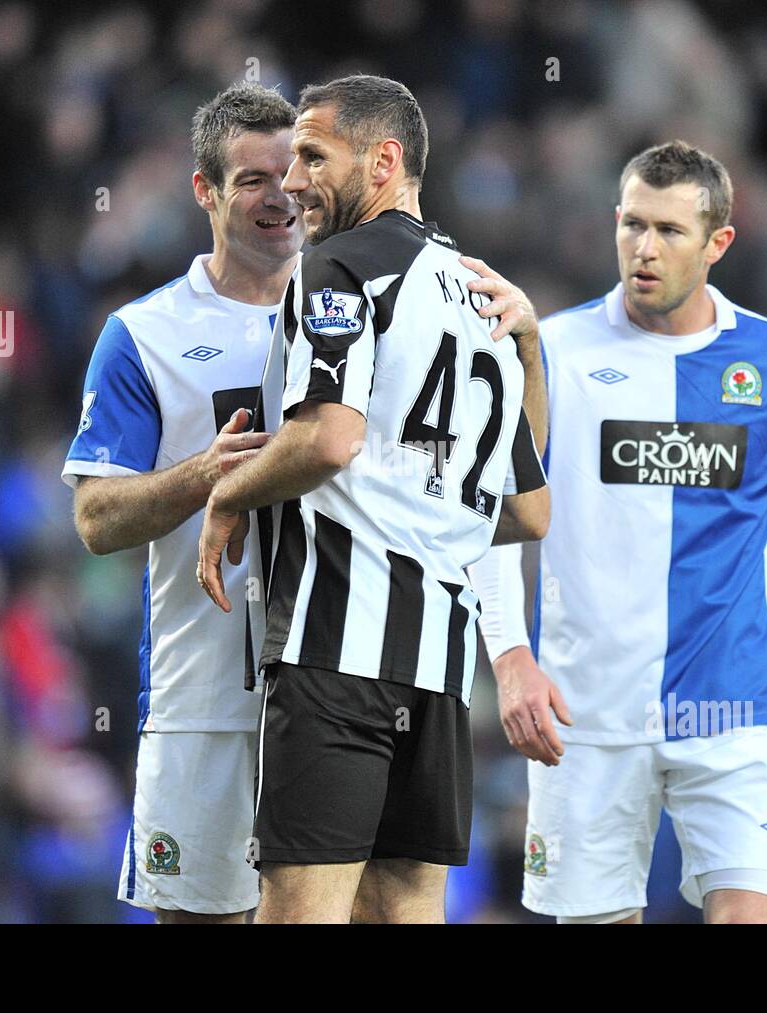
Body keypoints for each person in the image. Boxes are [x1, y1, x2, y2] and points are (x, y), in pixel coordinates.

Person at [470, 140, 767, 925]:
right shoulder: (553, 350)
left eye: (670, 231)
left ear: (719, 242)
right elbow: (487, 515)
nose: (644, 249)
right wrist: (510, 656)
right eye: (632, 225)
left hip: (734, 712)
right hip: (586, 714)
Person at [195, 74, 550, 923]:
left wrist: (227, 492)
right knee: (400, 912)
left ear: (384, 161)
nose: (293, 181)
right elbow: (530, 512)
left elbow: (327, 439)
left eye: (314, 156)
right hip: (437, 676)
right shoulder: (489, 300)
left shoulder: (341, 265)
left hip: (334, 653)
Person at [62, 83, 303, 923]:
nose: (282, 196)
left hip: (336, 692)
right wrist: (206, 473)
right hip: (202, 701)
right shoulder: (145, 334)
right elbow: (96, 519)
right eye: (252, 179)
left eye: (295, 171)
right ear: (203, 190)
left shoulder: (361, 315)